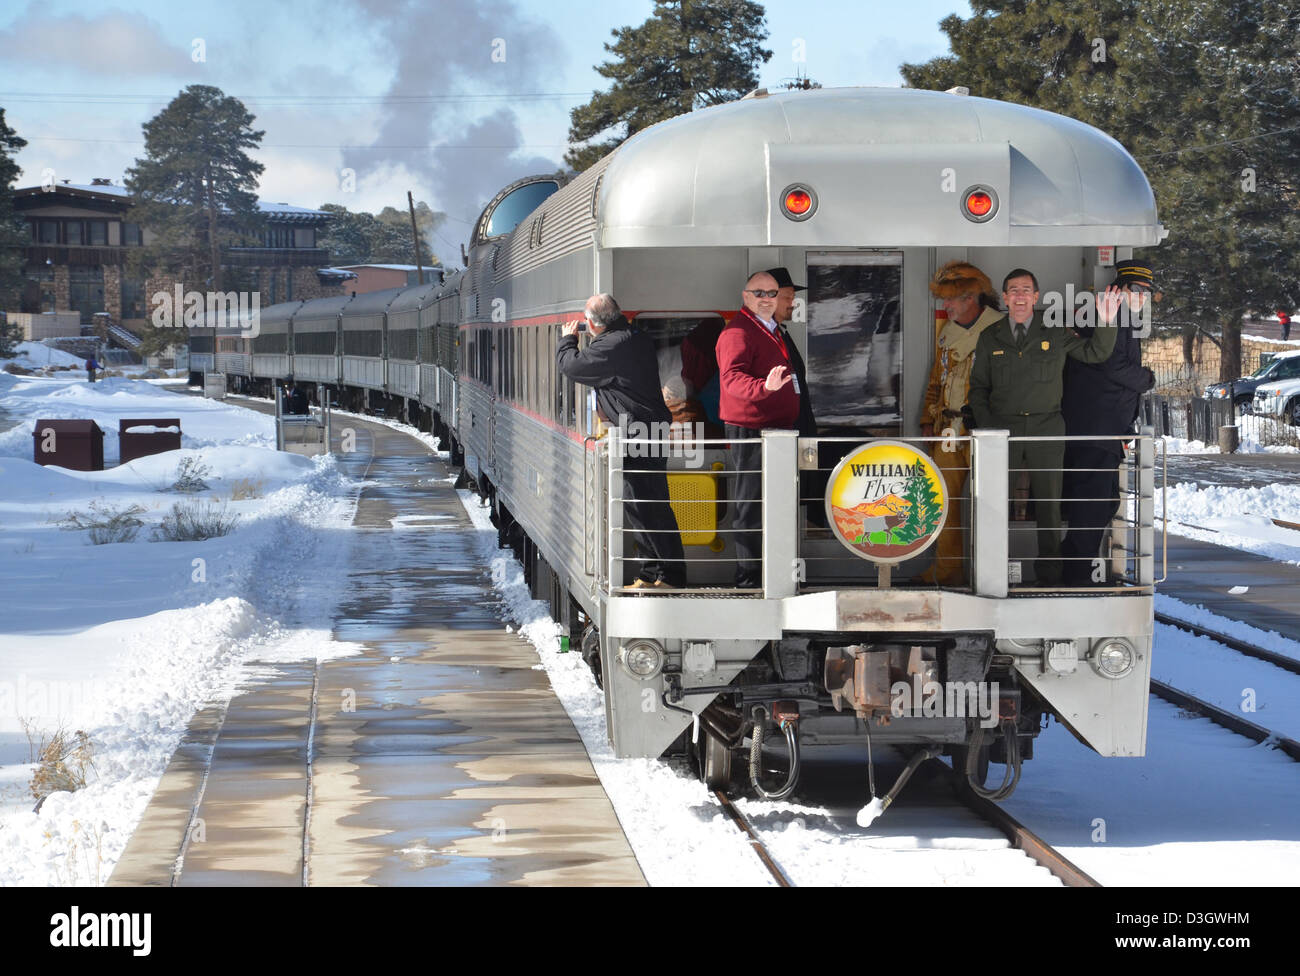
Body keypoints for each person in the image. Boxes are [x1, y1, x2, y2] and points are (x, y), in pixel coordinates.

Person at [967, 269, 1119, 585]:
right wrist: (989, 428)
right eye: (1013, 290)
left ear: (1036, 298)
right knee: (995, 505)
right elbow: (978, 389)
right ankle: (991, 574)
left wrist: (1106, 320)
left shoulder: (1054, 333)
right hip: (1002, 433)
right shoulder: (990, 337)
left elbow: (1096, 352)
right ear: (1005, 298)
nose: (1020, 296)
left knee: (1049, 508)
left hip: (1046, 430)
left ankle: (1050, 575)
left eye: (1026, 290)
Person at [557, 293, 686, 589]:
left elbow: (571, 367)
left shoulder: (613, 346)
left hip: (640, 432)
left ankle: (672, 577)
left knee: (651, 505)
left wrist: (566, 340)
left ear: (592, 323)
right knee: (639, 505)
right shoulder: (630, 337)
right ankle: (651, 574)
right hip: (641, 431)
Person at [1060, 260, 1157, 585]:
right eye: (1137, 289)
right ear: (1120, 288)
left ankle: (1076, 565)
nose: (1142, 296)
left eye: (1147, 292)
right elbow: (1113, 367)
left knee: (1103, 502)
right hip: (1095, 428)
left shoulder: (1121, 317)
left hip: (1103, 429)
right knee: (1093, 504)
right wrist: (1147, 378)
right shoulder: (1111, 317)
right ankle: (1075, 574)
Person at [716, 270, 815, 588]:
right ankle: (749, 574)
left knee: (777, 503)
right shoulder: (738, 333)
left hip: (779, 431)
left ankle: (775, 570)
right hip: (752, 431)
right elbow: (732, 379)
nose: (791, 302)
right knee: (751, 503)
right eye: (785, 296)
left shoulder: (772, 332)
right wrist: (765, 388)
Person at [919, 262, 1006, 585]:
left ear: (971, 298)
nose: (946, 306)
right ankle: (948, 570)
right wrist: (928, 419)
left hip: (986, 431)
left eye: (951, 299)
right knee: (944, 501)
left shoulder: (1001, 330)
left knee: (990, 503)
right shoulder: (948, 332)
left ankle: (989, 574)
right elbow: (936, 380)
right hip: (948, 429)